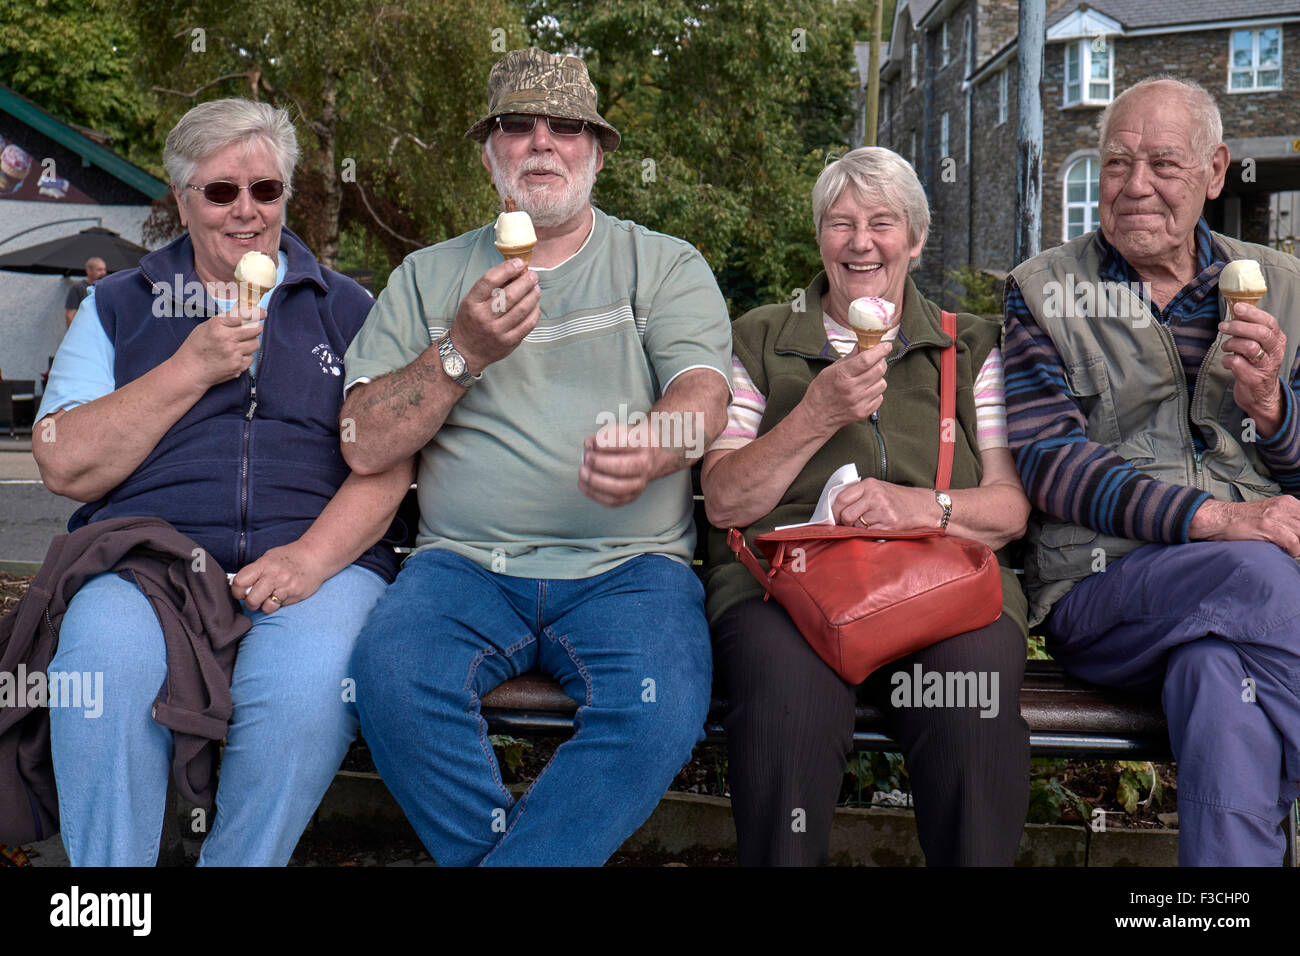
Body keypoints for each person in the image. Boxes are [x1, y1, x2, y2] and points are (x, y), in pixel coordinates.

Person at [340, 48, 732, 866]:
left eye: (567, 127)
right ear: (490, 152)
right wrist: (461, 351)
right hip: (465, 565)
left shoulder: (662, 264)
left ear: (598, 152)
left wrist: (653, 445)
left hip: (630, 569)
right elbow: (363, 440)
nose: (542, 142)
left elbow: (703, 397)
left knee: (658, 709)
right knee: (392, 679)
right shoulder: (427, 277)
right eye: (517, 125)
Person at [32, 98, 411, 866]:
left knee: (310, 691)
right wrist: (190, 367)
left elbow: (390, 464)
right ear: (181, 201)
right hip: (147, 560)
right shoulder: (117, 305)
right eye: (220, 191)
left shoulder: (348, 307)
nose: (247, 210)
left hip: (316, 562)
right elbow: (63, 461)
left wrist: (309, 559)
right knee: (100, 668)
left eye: (265, 190)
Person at [702, 146, 1031, 866]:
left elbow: (1008, 510)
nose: (860, 242)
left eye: (882, 223)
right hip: (784, 586)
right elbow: (724, 501)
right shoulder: (761, 338)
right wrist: (816, 414)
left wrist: (922, 507)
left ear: (916, 238)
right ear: (819, 236)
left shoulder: (970, 346)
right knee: (787, 709)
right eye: (840, 223)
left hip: (942, 584)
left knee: (969, 711)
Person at [1003, 76, 1300, 866]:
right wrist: (1224, 521)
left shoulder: (1284, 289)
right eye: (1116, 163)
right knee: (1255, 573)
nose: (1135, 185)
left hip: (1249, 614)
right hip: (1103, 590)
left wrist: (1273, 409)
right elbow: (1051, 463)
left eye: (1164, 164)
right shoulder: (1044, 293)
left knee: (1219, 684)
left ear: (1215, 170)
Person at [65, 257, 106, 327]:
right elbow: (70, 315)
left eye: (104, 269)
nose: (103, 273)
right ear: (88, 270)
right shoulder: (78, 288)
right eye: (99, 270)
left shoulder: (106, 288)